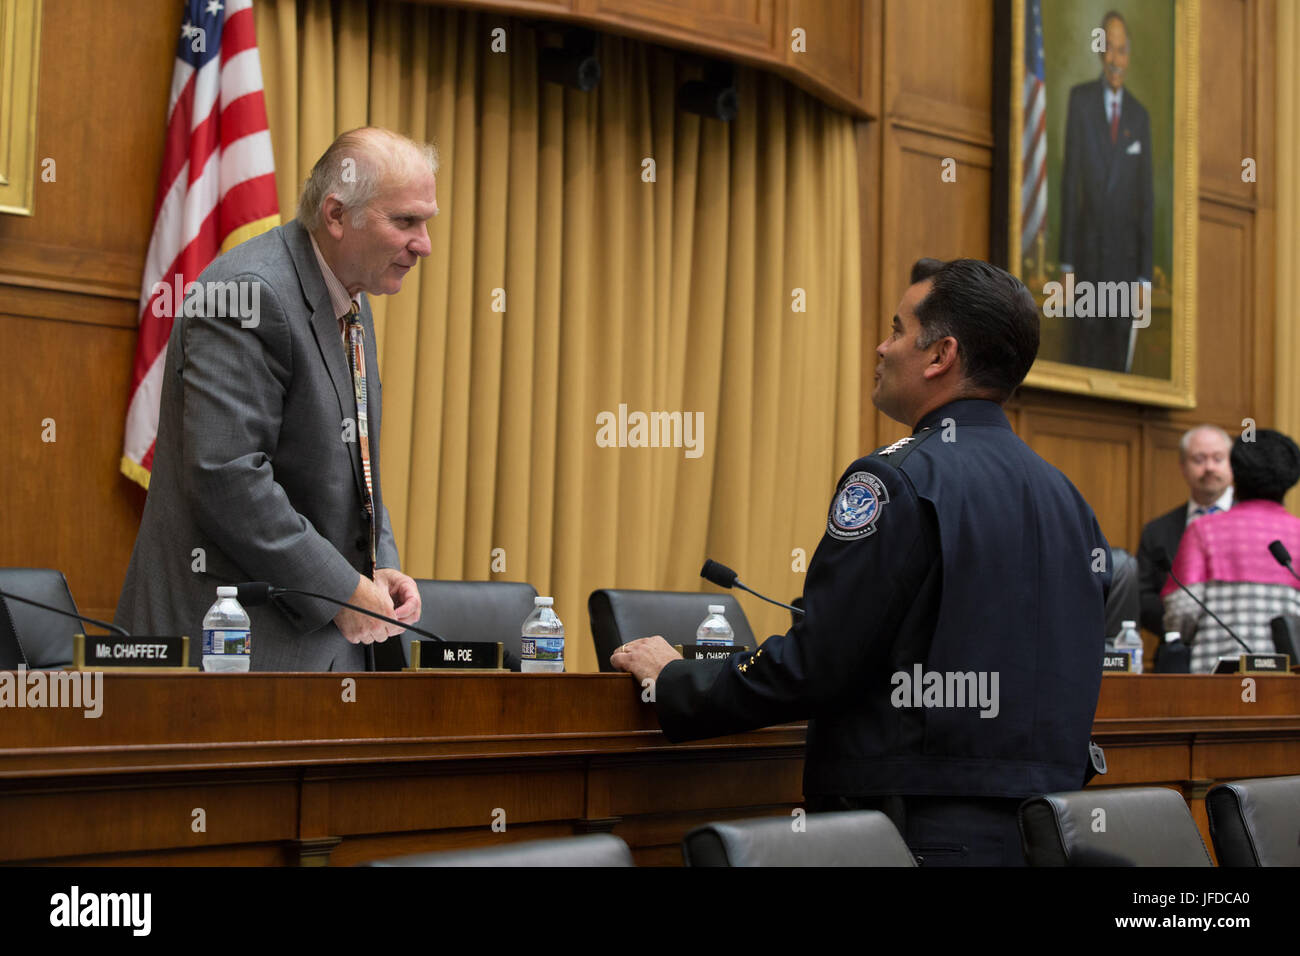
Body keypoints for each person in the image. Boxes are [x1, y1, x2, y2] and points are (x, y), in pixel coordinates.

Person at [613, 258, 1111, 866]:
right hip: (1049, 834)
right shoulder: (1067, 497)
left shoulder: (896, 477)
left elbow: (818, 664)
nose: (882, 346)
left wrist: (676, 679)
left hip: (912, 835)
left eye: (897, 329)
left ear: (940, 356)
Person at [115, 128, 436, 671]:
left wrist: (376, 566)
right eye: (404, 221)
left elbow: (356, 466)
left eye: (425, 221)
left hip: (318, 659)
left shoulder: (351, 300)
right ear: (337, 215)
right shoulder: (246, 294)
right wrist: (340, 590)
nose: (423, 243)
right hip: (227, 655)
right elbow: (229, 475)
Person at [1058, 9, 1154, 373]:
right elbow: (1069, 185)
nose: (1116, 60)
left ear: (1129, 56)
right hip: (1086, 263)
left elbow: (1146, 200)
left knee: (1118, 367)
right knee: (1082, 361)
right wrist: (1066, 265)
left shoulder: (1139, 117)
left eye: (1122, 50)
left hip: (1127, 271)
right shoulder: (1080, 101)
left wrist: (1144, 278)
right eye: (1109, 49)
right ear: (1100, 51)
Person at [1162, 430, 1300, 672]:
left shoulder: (1203, 531)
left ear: (1234, 472)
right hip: (1289, 688)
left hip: (1218, 687)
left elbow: (1181, 614)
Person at [1136, 425, 1234, 635]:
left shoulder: (1253, 523)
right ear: (1182, 466)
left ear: (1231, 463)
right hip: (1179, 649)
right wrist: (1180, 623)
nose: (1209, 467)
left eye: (1218, 459)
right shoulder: (1157, 531)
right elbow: (1142, 596)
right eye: (1199, 459)